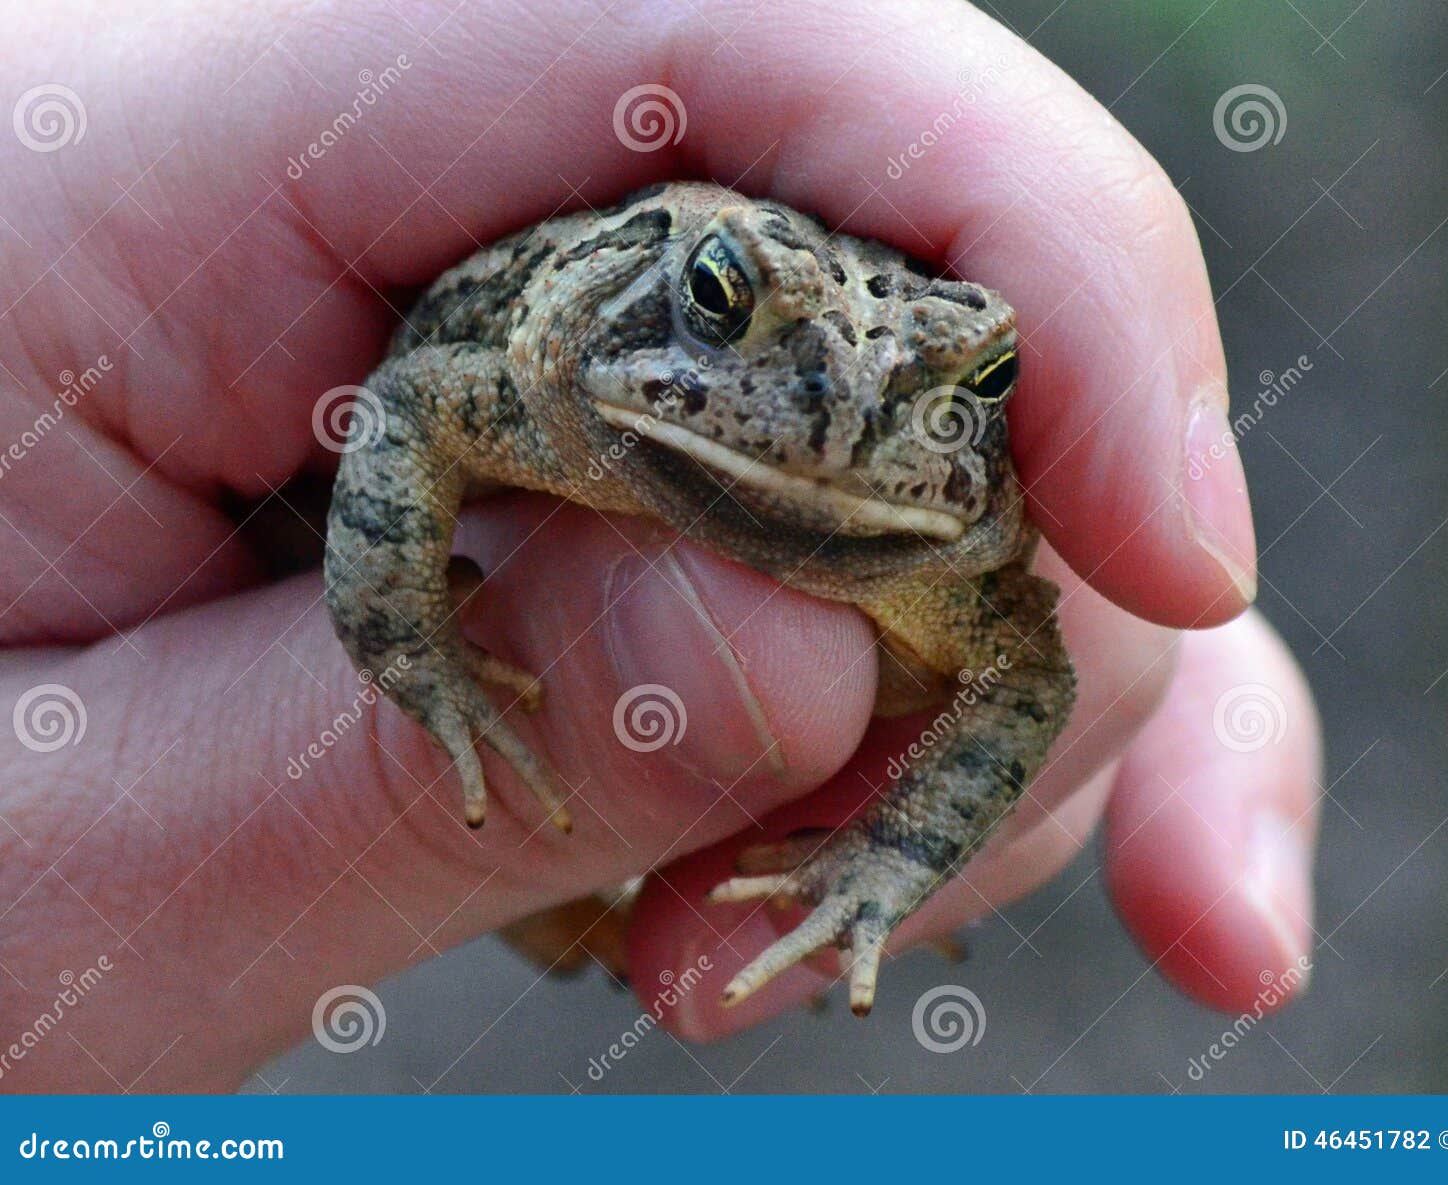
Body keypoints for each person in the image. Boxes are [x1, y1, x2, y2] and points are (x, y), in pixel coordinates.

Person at [0, 0, 1319, 1091]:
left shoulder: (947, 557)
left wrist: (887, 862)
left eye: (965, 384)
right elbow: (412, 399)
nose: (828, 417)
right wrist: (408, 645)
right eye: (722, 303)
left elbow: (1032, 678)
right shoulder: (550, 385)